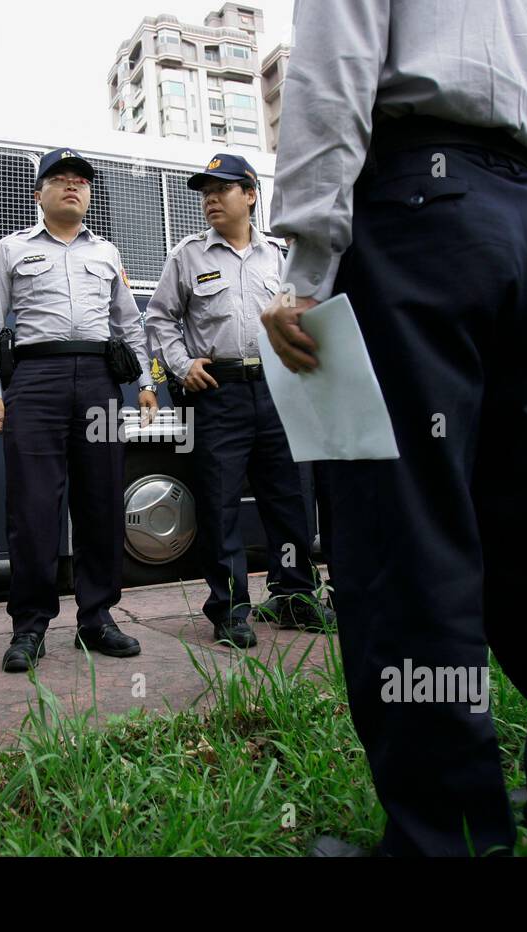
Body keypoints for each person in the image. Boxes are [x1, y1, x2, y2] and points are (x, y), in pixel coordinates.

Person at [260, 0, 527, 856]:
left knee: (407, 534)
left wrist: (310, 263)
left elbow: (333, 64)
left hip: (413, 214)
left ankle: (448, 840)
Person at [0, 148, 157, 672]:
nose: (72, 187)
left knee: (100, 502)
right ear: (39, 194)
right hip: (35, 381)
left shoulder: (106, 253)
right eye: (60, 180)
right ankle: (29, 627)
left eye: (81, 181)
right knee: (33, 507)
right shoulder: (11, 249)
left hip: (99, 381)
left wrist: (145, 382)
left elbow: (129, 323)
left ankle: (97, 618)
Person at [144, 152, 334, 648]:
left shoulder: (282, 255)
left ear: (250, 195)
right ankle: (229, 610)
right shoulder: (188, 256)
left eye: (221, 189)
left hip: (279, 391)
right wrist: (184, 366)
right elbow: (159, 318)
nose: (210, 199)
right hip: (219, 394)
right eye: (205, 191)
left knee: (289, 499)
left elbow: (309, 318)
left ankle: (295, 596)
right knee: (219, 504)